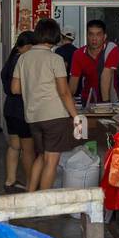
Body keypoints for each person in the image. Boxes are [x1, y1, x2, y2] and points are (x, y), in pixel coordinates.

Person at [12, 18, 80, 192]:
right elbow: (64, 92)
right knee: (51, 160)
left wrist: (34, 88)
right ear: (56, 36)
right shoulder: (55, 59)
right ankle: (43, 204)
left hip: (33, 116)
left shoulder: (23, 59)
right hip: (54, 116)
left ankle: (31, 194)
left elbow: (15, 89)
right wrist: (75, 116)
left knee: (41, 157)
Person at [0, 31, 37, 192]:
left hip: (10, 109)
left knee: (14, 146)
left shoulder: (11, 58)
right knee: (28, 149)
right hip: (22, 109)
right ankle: (30, 184)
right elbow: (19, 88)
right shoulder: (23, 60)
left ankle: (10, 180)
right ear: (28, 46)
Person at [69, 19, 119, 105]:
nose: (94, 39)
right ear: (87, 36)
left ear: (104, 36)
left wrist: (105, 105)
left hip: (109, 102)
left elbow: (106, 76)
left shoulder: (112, 49)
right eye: (91, 34)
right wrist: (68, 98)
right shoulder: (78, 54)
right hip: (87, 102)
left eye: (98, 34)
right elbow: (73, 82)